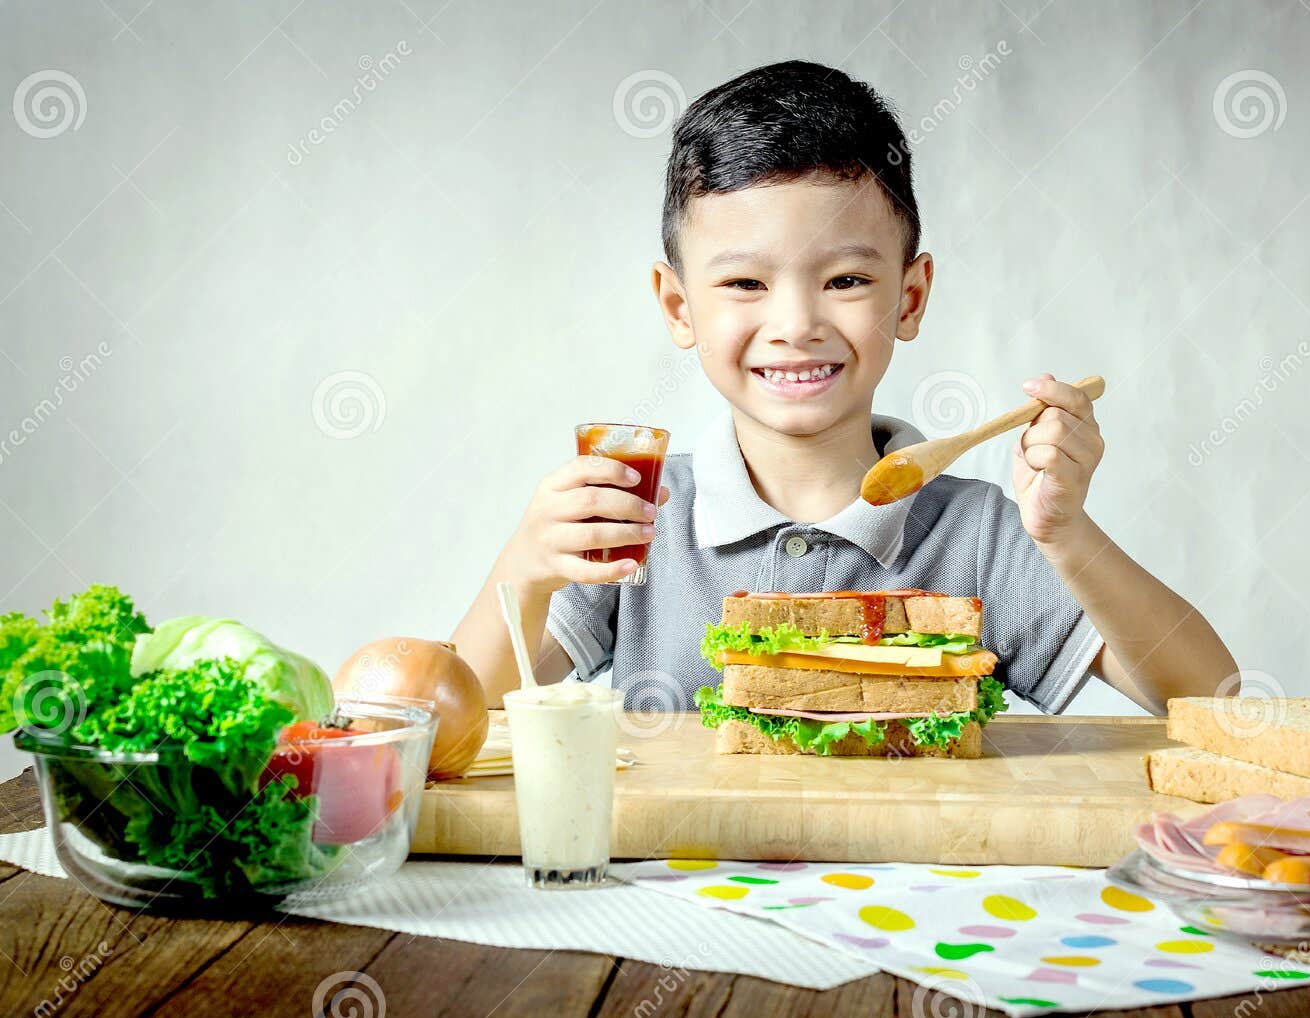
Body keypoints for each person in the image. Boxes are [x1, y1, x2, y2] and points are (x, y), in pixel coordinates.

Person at [451, 60, 1237, 716]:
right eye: (746, 283)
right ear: (679, 306)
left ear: (910, 298)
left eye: (847, 279)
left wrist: (1067, 536)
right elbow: (460, 713)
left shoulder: (979, 535)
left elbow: (1212, 698)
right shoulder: (639, 519)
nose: (796, 324)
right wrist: (528, 563)